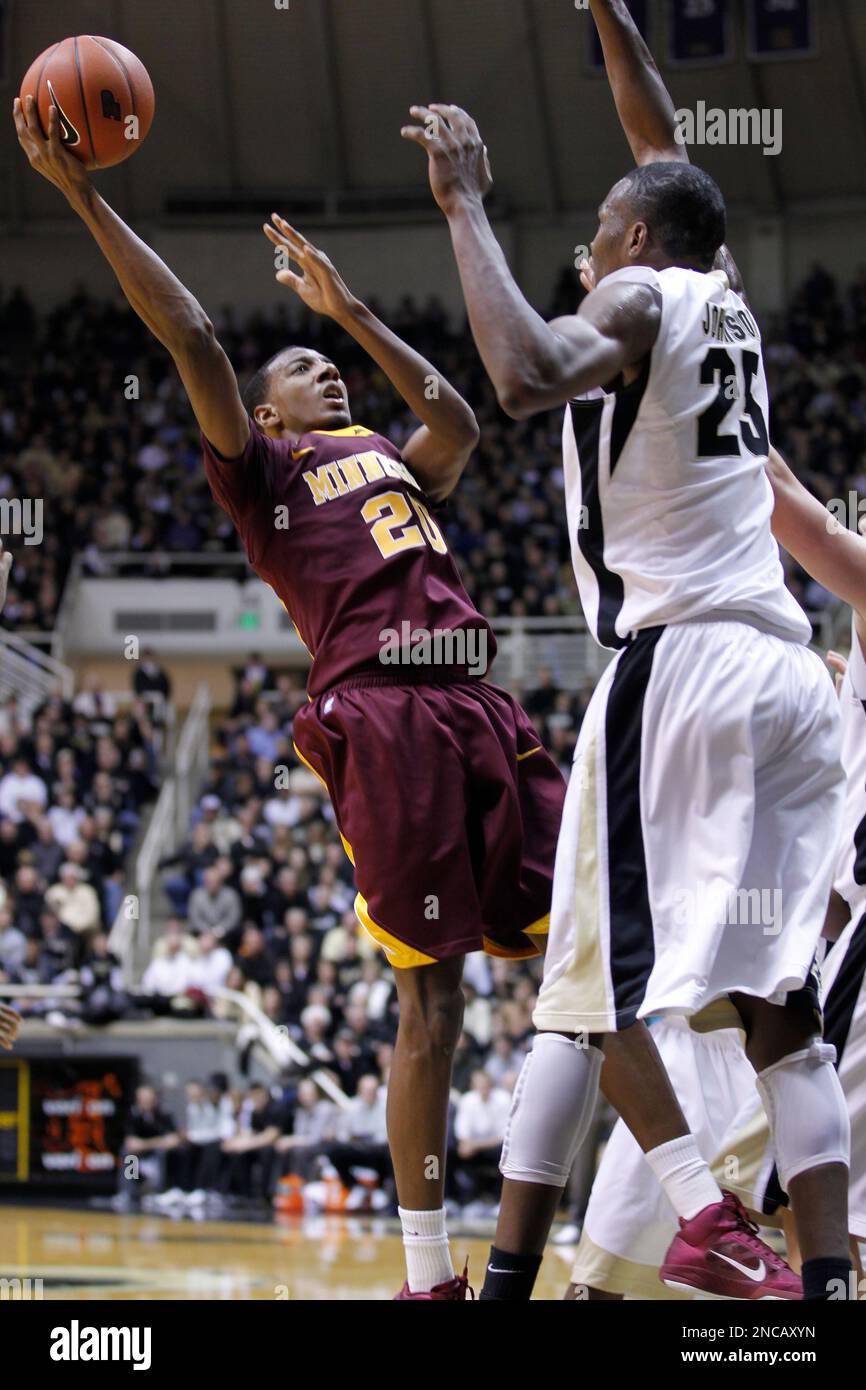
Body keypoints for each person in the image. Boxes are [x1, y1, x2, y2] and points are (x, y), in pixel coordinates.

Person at [14, 96, 565, 1301]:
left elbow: (460, 421)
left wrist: (350, 310)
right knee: (432, 1005)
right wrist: (85, 194)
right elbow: (199, 338)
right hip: (382, 709)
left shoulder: (391, 456)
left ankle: (613, 1220)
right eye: (306, 367)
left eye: (330, 364)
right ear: (266, 418)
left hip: (483, 703)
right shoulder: (265, 476)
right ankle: (429, 1276)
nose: (326, 371)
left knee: (589, 957)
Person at [404, 62, 850, 1302]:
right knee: (780, 1011)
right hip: (785, 672)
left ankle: (672, 1225)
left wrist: (463, 209)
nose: (585, 255)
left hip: (685, 667)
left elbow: (524, 373)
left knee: (585, 993)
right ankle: (823, 1294)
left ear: (638, 240)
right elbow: (664, 147)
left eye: (597, 234)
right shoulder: (724, 299)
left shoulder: (645, 290)